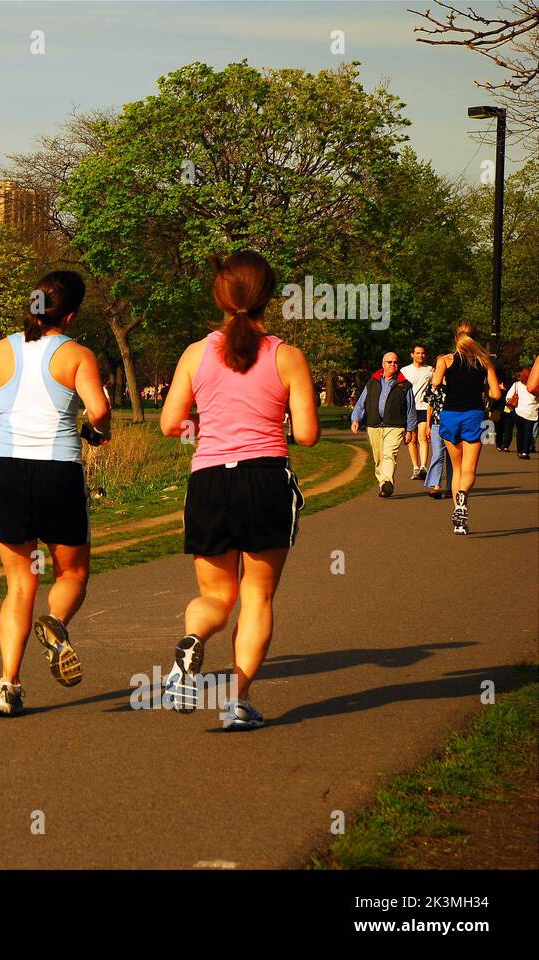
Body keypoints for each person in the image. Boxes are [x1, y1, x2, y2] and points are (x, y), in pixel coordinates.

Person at [158, 251, 319, 731]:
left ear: (220, 296)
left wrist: (213, 425)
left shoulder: (195, 353)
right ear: (270, 296)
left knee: (215, 597)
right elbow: (308, 434)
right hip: (264, 477)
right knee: (257, 596)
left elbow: (170, 424)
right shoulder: (287, 356)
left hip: (209, 480)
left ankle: (191, 642)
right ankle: (237, 701)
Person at [0, 270, 111, 717]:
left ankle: (7, 685)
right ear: (72, 314)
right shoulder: (77, 354)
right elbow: (98, 410)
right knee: (72, 574)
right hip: (57, 472)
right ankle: (56, 623)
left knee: (19, 584)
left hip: (4, 471)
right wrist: (98, 431)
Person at [428, 322, 502, 534]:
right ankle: (462, 502)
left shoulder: (445, 360)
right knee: (469, 469)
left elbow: (435, 384)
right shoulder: (483, 360)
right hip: (474, 415)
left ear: (455, 338)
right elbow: (496, 394)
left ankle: (459, 517)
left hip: (449, 415)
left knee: (456, 468)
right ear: (475, 338)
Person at [349, 352, 416, 498]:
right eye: (390, 362)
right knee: (378, 458)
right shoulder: (372, 382)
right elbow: (361, 403)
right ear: (383, 364)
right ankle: (383, 486)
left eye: (396, 362)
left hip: (395, 425)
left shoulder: (404, 385)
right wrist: (356, 419)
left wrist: (410, 430)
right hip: (374, 425)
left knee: (389, 454)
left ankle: (387, 482)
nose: (393, 365)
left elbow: (411, 409)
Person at [401, 345, 433, 478]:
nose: (420, 355)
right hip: (410, 408)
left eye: (423, 353)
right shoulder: (405, 371)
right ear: (412, 355)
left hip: (424, 407)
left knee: (423, 437)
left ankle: (423, 467)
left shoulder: (430, 370)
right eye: (418, 353)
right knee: (412, 439)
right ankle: (415, 467)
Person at [423, 378, 452, 498]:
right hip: (436, 424)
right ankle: (436, 486)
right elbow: (430, 407)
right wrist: (427, 426)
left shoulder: (454, 385)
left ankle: (451, 487)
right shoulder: (432, 387)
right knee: (437, 454)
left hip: (452, 424)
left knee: (452, 457)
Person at [506, 366, 538, 460]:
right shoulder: (535, 386)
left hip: (519, 410)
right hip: (531, 411)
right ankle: (525, 452)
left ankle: (519, 451)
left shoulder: (517, 385)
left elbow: (508, 397)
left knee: (520, 432)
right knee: (528, 433)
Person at [495, 367, 516, 453]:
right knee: (508, 429)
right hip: (510, 408)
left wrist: (491, 409)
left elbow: (495, 398)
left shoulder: (497, 384)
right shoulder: (514, 384)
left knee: (498, 429)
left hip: (498, 409)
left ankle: (499, 445)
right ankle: (506, 446)